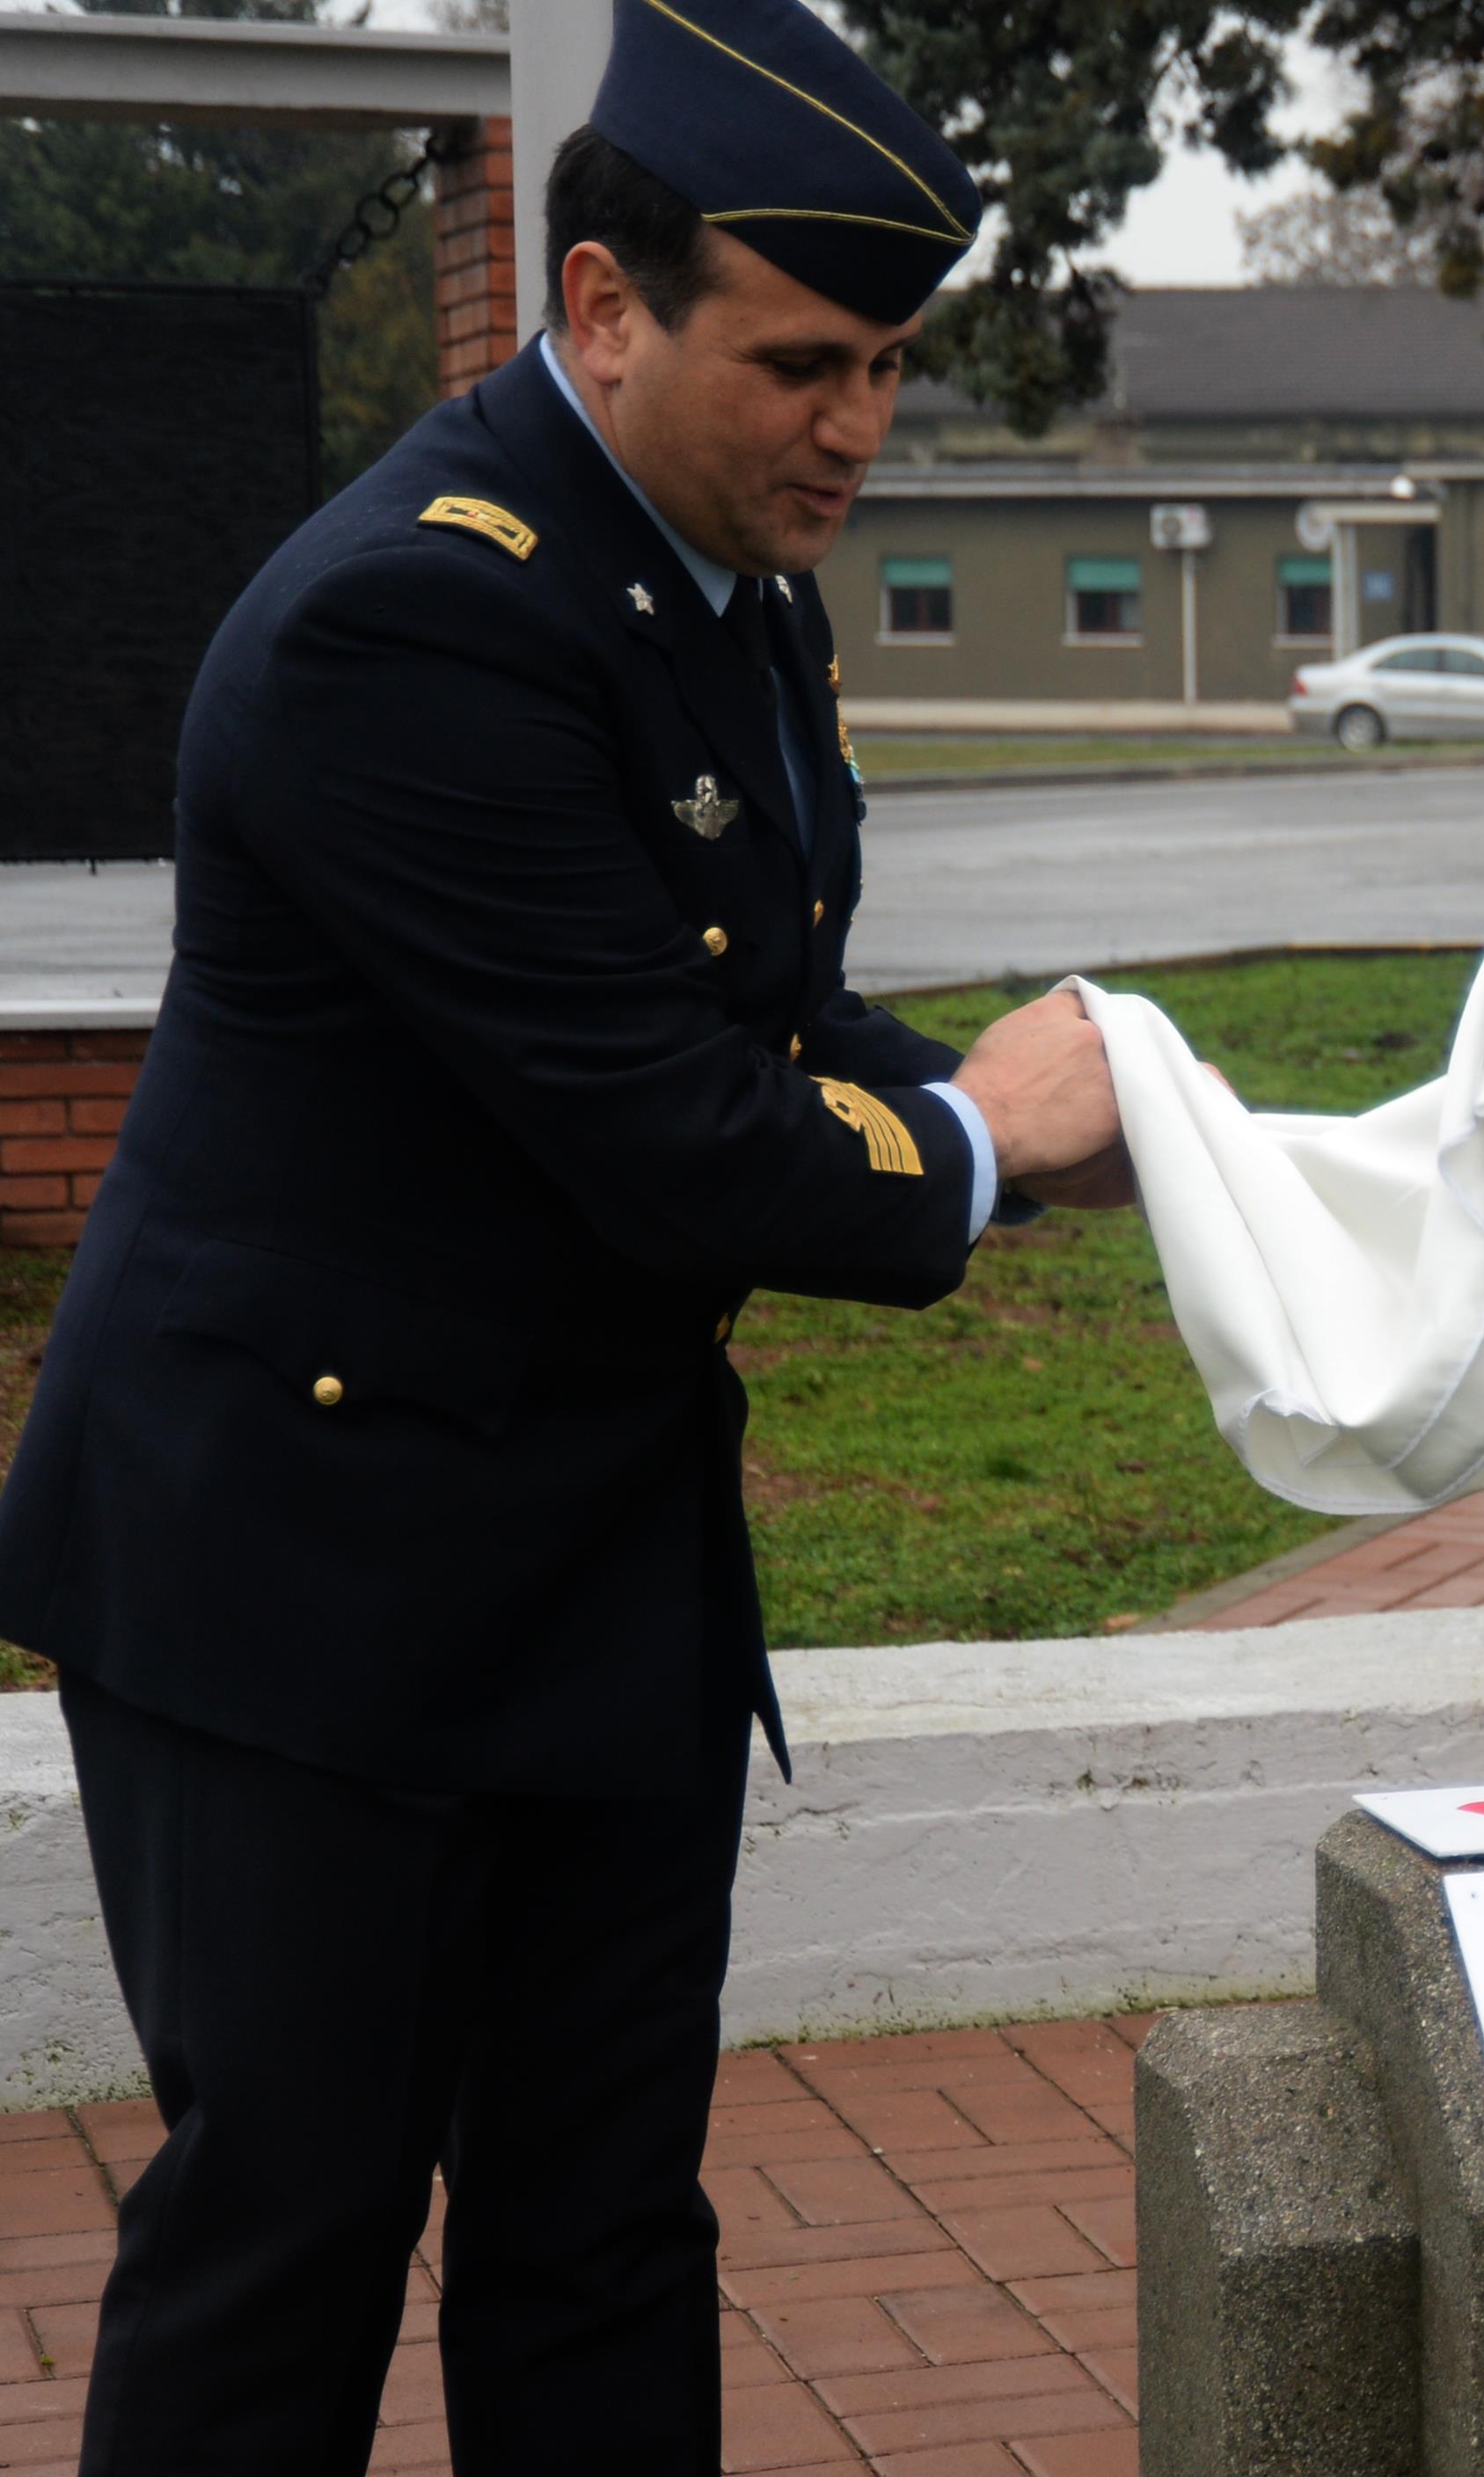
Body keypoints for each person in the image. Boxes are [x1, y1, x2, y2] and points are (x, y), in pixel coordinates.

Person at [0, 0, 1123, 2462]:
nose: (858, 427)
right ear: (601, 305)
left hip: (583, 1544)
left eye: (892, 368)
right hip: (300, 1572)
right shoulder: (419, 613)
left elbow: (758, 990)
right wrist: (983, 1155)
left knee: (605, 2228)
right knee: (285, 2234)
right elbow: (672, 1128)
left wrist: (1028, 1108)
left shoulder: (713, 576)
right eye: (802, 361)